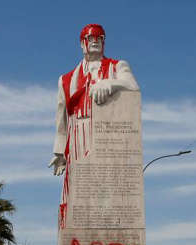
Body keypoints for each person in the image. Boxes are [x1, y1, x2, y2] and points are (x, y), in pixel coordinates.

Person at [48, 23, 140, 226]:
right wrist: (59, 152)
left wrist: (110, 83)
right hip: (77, 132)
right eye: (91, 38)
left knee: (108, 187)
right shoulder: (66, 79)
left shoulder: (117, 67)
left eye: (100, 38)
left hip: (106, 132)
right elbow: (61, 119)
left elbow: (133, 86)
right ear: (82, 43)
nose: (95, 41)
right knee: (75, 190)